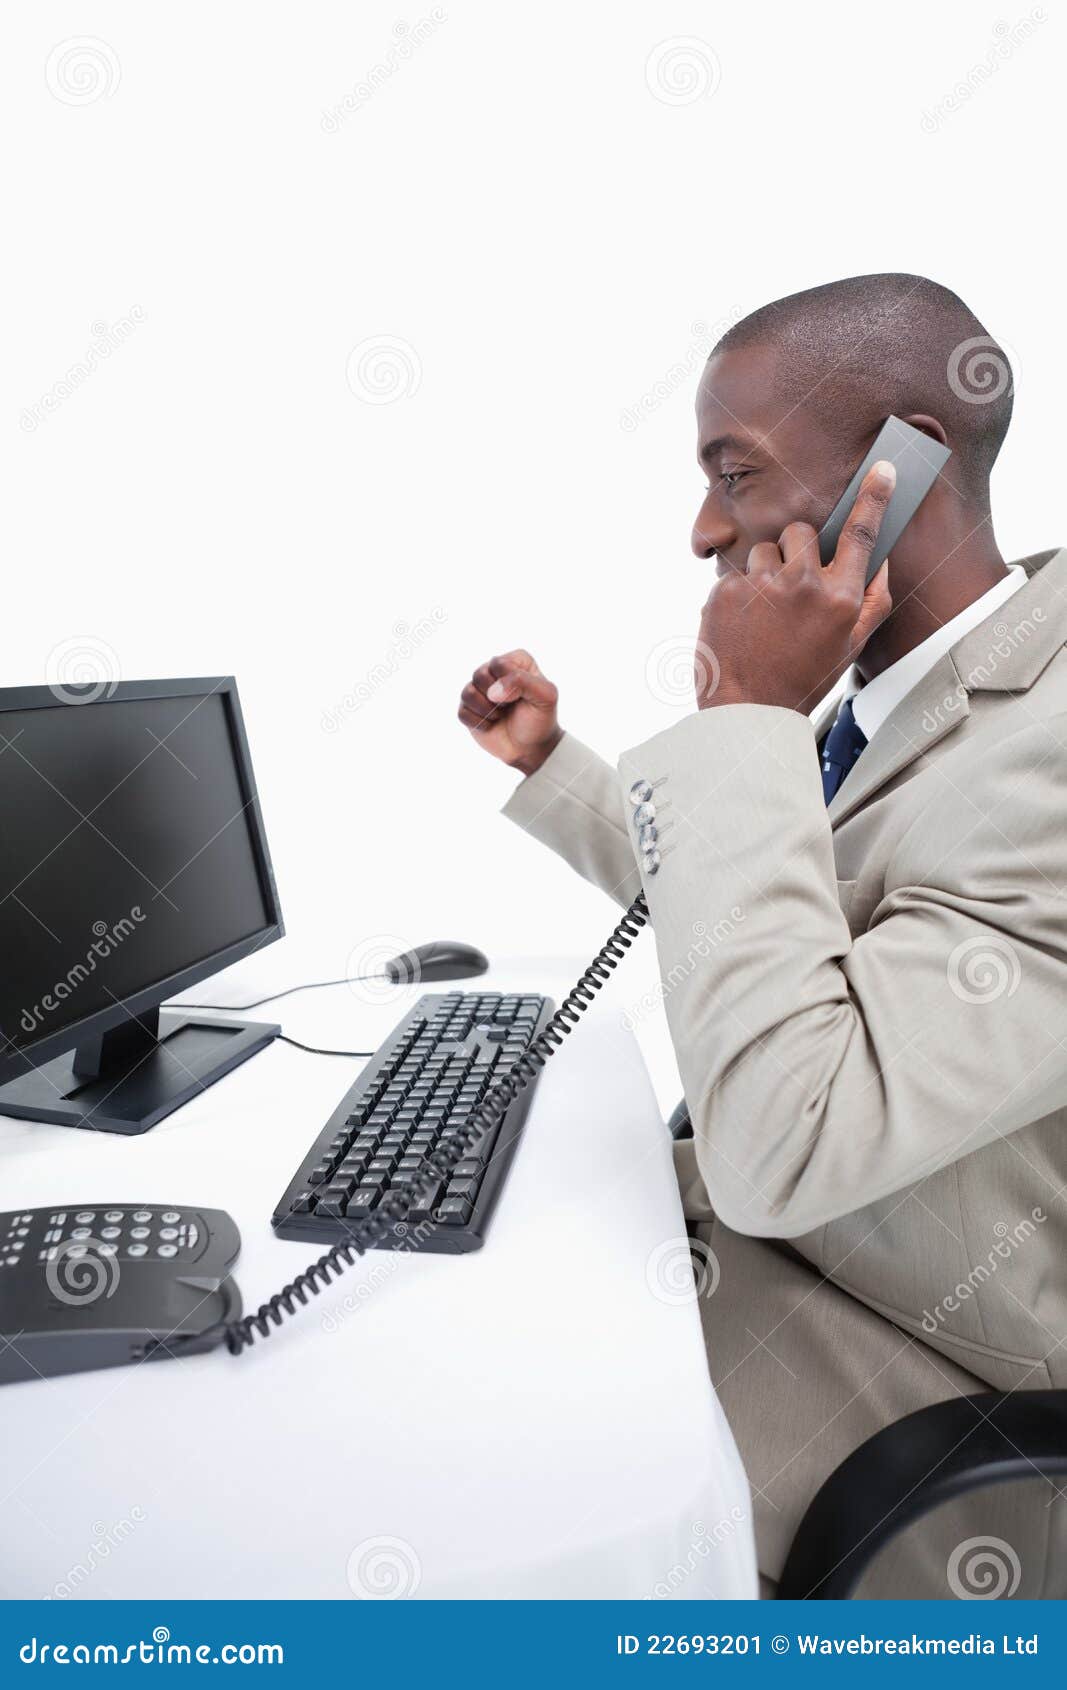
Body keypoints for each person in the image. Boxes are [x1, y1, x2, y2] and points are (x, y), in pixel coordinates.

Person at [459, 274, 1067, 1597]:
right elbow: (784, 898)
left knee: (468, 1496)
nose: (700, 529)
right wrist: (554, 764)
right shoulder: (915, 693)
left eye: (735, 474)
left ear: (904, 462)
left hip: (920, 1363)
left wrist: (748, 715)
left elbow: (797, 1140)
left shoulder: (1056, 747)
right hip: (805, 1254)